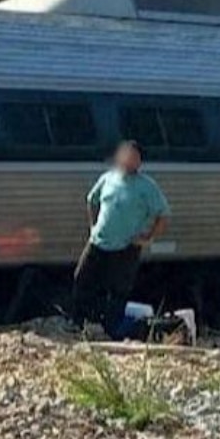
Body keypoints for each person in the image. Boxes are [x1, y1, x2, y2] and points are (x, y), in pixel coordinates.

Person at [70, 140, 170, 339]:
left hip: (126, 247)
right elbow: (92, 200)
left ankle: (111, 330)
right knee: (82, 279)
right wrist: (93, 226)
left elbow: (163, 214)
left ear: (139, 161)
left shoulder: (147, 186)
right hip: (98, 242)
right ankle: (79, 322)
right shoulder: (107, 178)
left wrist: (148, 238)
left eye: (133, 156)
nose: (128, 159)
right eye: (125, 155)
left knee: (117, 291)